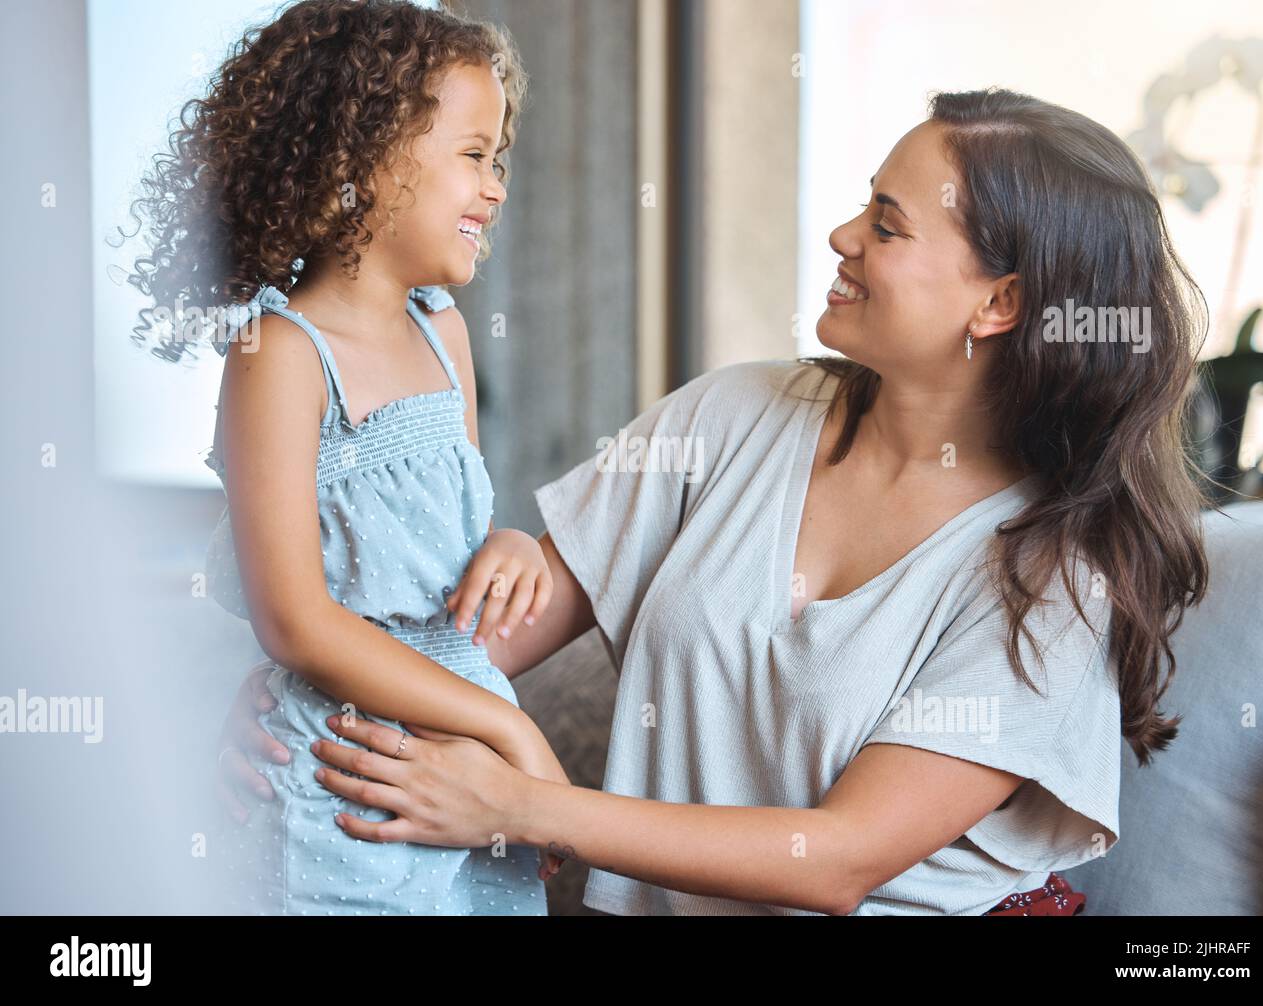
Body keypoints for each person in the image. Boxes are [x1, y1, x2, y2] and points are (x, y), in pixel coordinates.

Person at [221, 87, 1210, 915]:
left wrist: (519, 802)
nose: (841, 234)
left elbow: (837, 858)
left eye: (887, 224)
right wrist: (306, 708)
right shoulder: (735, 415)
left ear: (998, 304)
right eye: (864, 205)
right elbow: (469, 649)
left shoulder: (1051, 570)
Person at [130, 0, 568, 915]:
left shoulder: (445, 338)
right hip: (346, 792)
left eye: (501, 160)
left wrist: (512, 547)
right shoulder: (280, 355)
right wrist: (511, 735)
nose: (496, 188)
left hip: (463, 770)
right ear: (364, 157)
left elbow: (449, 562)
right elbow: (296, 622)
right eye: (473, 156)